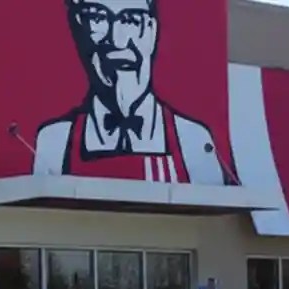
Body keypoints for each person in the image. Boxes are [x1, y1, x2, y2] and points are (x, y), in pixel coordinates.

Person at [32, 0, 232, 185]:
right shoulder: (55, 142)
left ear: (152, 31)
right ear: (79, 30)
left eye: (131, 20)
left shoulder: (194, 140)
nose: (117, 41)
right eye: (98, 18)